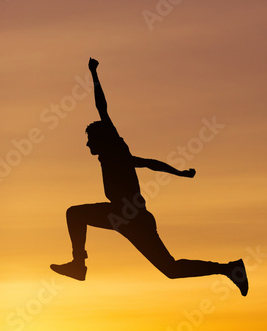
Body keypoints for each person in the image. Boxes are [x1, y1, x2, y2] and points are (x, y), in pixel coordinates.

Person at [50, 58, 249, 296]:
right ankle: (230, 269)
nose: (87, 144)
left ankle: (79, 265)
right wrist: (179, 172)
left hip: (130, 216)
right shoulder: (110, 157)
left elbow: (104, 110)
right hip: (123, 217)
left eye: (90, 139)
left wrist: (93, 74)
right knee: (170, 269)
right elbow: (146, 163)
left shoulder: (115, 149)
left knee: (75, 213)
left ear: (101, 138)